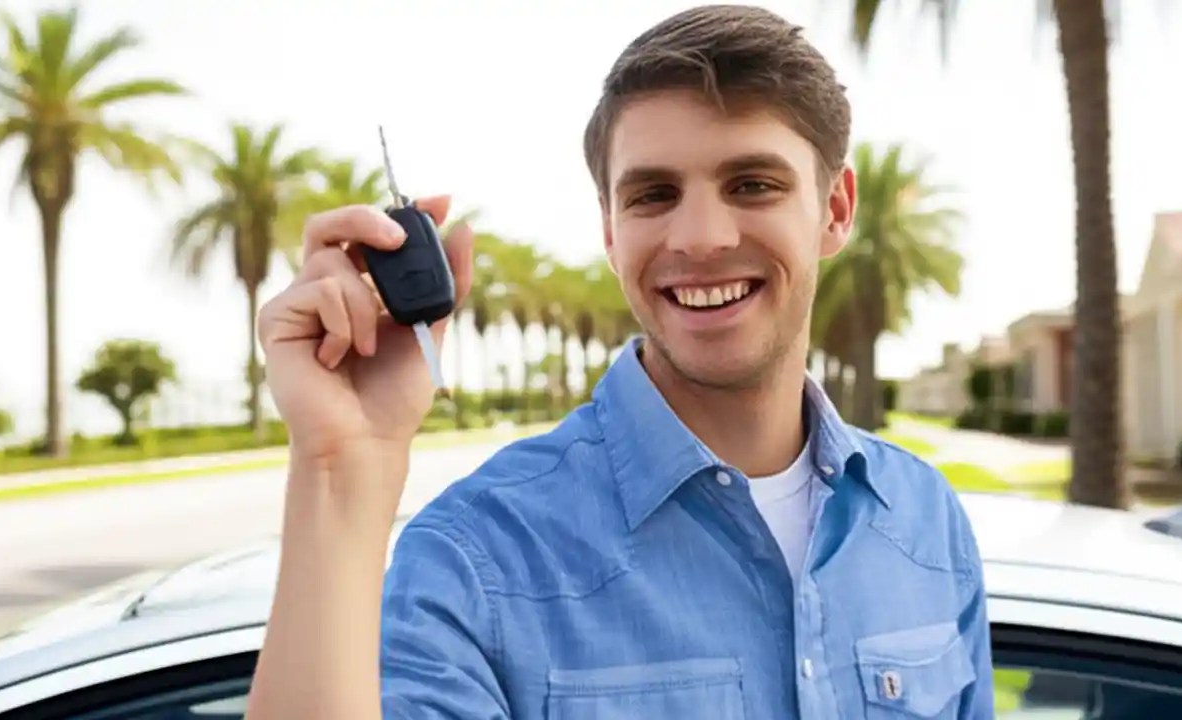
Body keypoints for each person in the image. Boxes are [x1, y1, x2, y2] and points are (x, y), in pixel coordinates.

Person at [246, 4, 994, 718]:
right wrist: (341, 466)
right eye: (653, 195)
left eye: (752, 185)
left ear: (835, 209)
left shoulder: (927, 520)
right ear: (609, 230)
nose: (699, 237)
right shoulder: (476, 558)